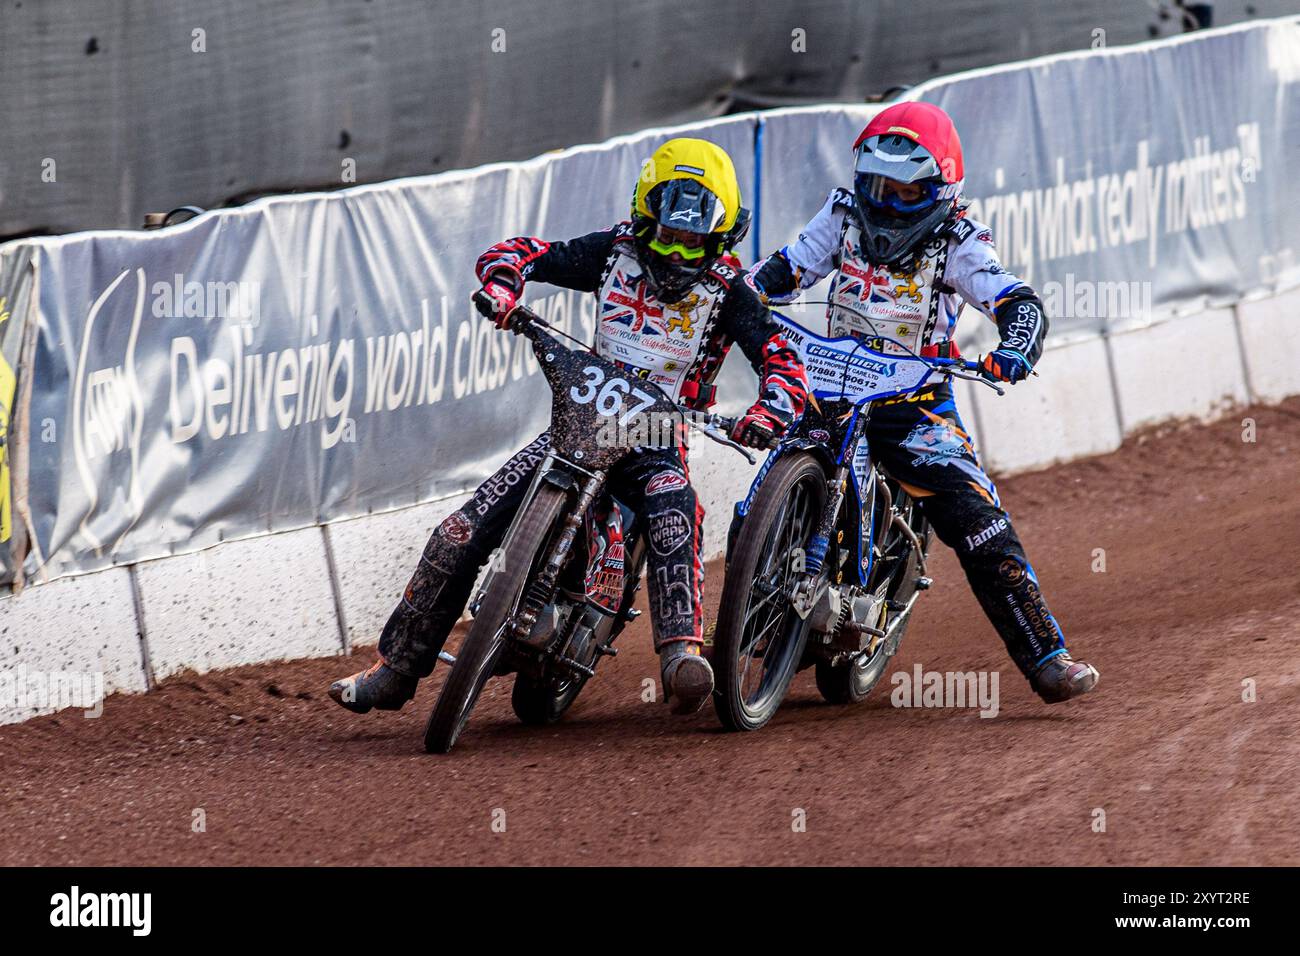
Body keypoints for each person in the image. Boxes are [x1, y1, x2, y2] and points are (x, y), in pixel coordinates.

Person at [330, 138, 809, 716]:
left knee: (676, 505)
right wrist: (503, 286)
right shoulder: (613, 251)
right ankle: (395, 669)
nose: (678, 251)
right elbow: (524, 252)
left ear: (722, 236)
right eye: (667, 233)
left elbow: (784, 361)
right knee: (460, 529)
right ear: (644, 217)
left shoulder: (733, 292)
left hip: (657, 443)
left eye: (694, 240)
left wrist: (768, 412)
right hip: (580, 425)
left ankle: (681, 654)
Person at [745, 101, 1099, 703]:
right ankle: (742, 616)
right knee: (759, 495)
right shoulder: (841, 213)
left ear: (941, 190)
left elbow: (1015, 299)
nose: (886, 203)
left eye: (905, 192)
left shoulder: (961, 240)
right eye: (877, 185)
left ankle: (1047, 655)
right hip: (830, 386)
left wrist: (1016, 346)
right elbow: (788, 267)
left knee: (979, 521)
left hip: (916, 404)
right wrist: (742, 294)